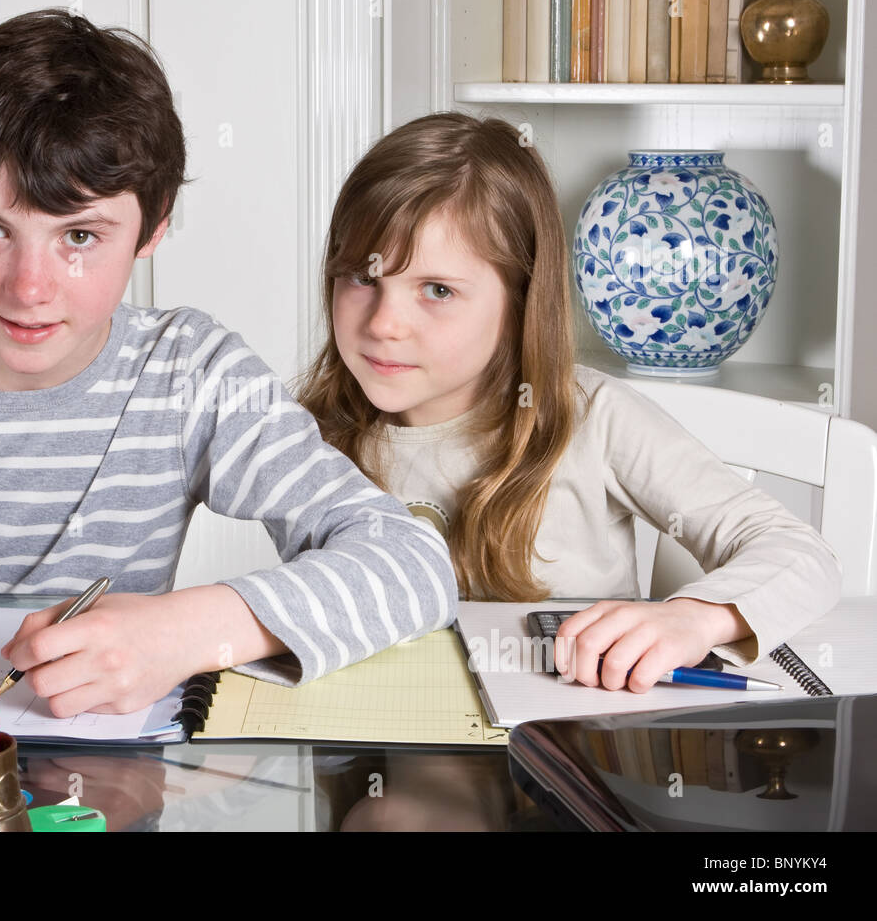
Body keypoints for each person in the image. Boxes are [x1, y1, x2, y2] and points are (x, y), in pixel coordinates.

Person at [0, 10, 458, 719]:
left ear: (152, 228)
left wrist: (185, 632)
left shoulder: (192, 374)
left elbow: (412, 565)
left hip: (112, 789)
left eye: (81, 235)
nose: (30, 289)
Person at [296, 111, 841, 696]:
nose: (384, 324)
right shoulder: (303, 437)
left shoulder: (595, 417)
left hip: (573, 752)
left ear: (521, 301)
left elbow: (799, 553)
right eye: (360, 276)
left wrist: (696, 617)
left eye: (437, 290)